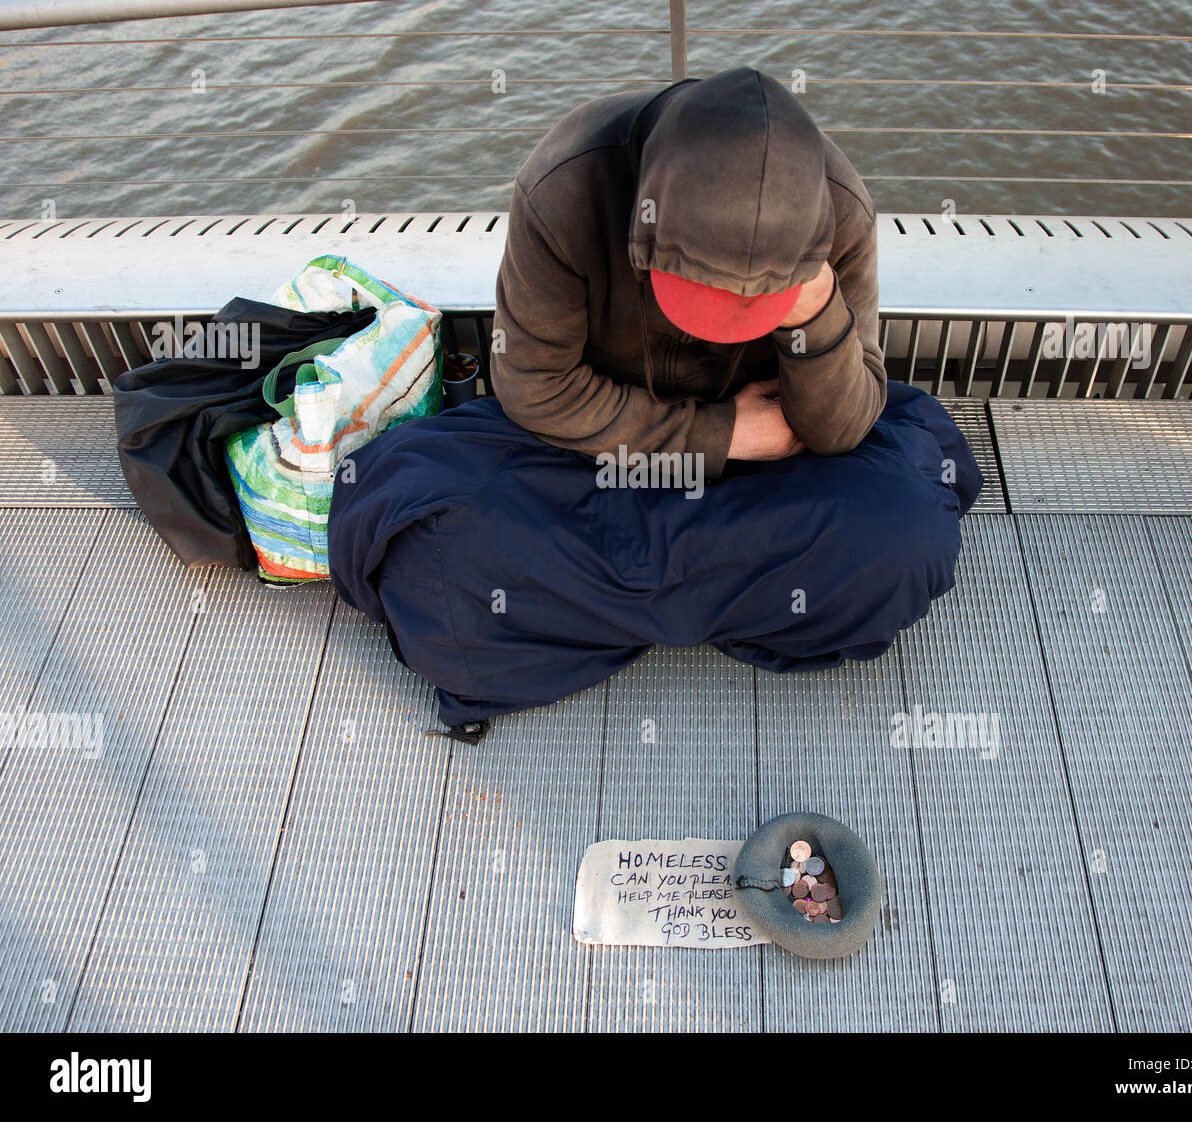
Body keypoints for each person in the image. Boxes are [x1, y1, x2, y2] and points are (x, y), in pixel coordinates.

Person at [328, 67, 981, 739]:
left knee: (906, 538)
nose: (716, 326)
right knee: (428, 557)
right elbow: (533, 387)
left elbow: (840, 428)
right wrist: (724, 434)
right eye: (700, 296)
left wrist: (814, 308)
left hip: (769, 470)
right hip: (599, 449)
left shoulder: (839, 210)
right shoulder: (566, 185)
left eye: (753, 307)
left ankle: (615, 603)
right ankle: (719, 594)